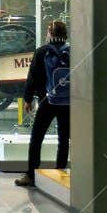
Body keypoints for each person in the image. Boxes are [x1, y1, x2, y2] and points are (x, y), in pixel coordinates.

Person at [19, 19, 70, 187]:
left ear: (50, 34)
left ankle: (31, 175)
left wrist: (28, 99)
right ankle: (61, 172)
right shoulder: (71, 51)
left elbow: (32, 77)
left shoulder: (42, 52)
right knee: (63, 138)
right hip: (67, 102)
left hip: (47, 100)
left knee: (37, 137)